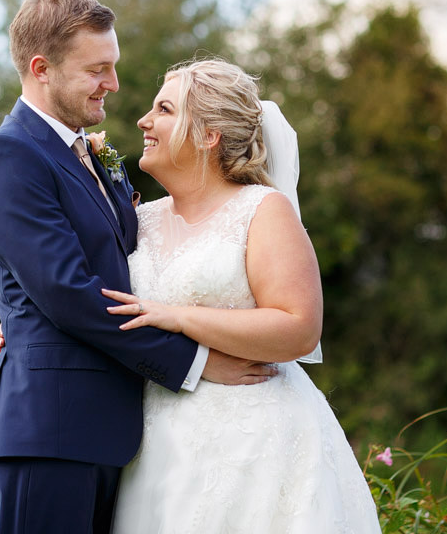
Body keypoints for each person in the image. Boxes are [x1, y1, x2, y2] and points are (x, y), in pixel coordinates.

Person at [0, 0, 276, 534]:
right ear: (42, 68)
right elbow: (67, 293)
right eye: (97, 70)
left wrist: (22, 311)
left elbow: (115, 265)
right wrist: (197, 363)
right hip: (48, 429)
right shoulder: (10, 154)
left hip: (107, 429)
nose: (112, 84)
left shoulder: (91, 153)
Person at [100, 58, 383, 533]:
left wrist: (179, 316)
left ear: (208, 134)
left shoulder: (262, 210)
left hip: (256, 444)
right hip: (154, 450)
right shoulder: (138, 220)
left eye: (164, 110)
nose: (143, 121)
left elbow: (298, 327)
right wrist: (23, 328)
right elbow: (93, 300)